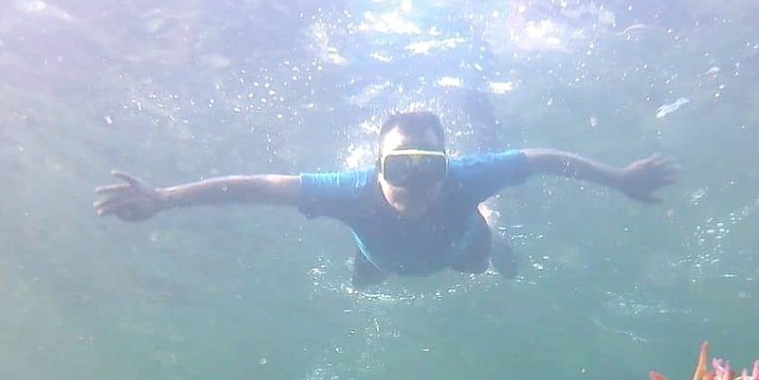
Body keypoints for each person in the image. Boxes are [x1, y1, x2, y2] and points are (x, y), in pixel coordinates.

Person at [94, 109, 678, 289]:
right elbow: (257, 187)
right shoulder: (346, 193)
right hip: (379, 258)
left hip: (461, 249)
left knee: (481, 258)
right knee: (368, 276)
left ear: (447, 167)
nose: (414, 182)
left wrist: (620, 179)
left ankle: (495, 242)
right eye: (400, 166)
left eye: (428, 167)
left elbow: (545, 160)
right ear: (377, 167)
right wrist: (165, 198)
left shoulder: (470, 178)